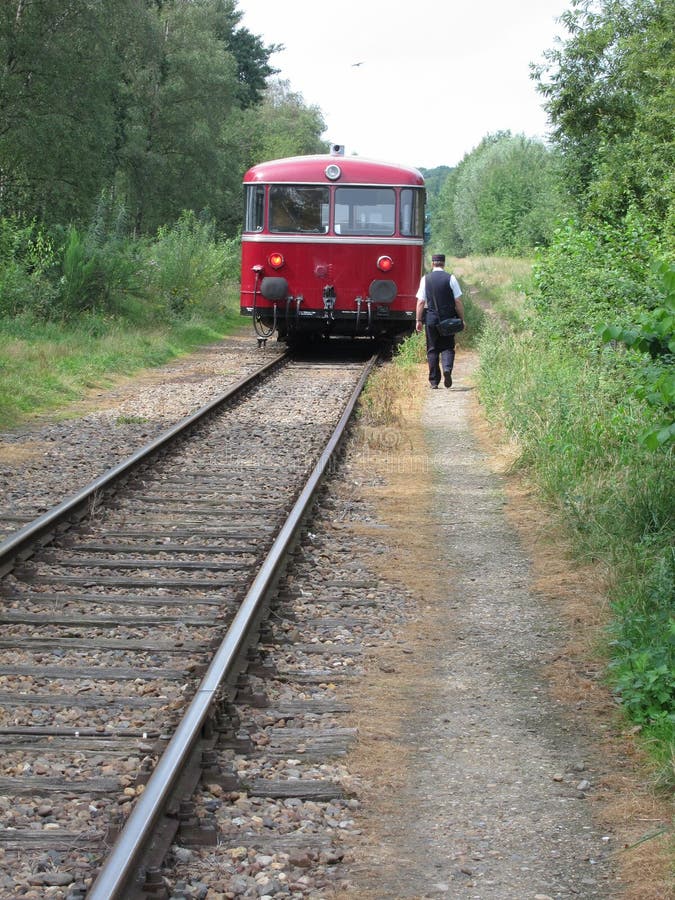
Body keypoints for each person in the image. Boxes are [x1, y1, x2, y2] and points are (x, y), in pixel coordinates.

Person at [415, 253, 465, 389]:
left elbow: (420, 302)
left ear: (432, 264)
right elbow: (458, 301)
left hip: (431, 318)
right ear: (443, 263)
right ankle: (447, 369)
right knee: (448, 346)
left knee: (432, 349)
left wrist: (418, 320)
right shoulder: (451, 278)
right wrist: (461, 319)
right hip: (448, 319)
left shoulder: (425, 279)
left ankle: (434, 382)